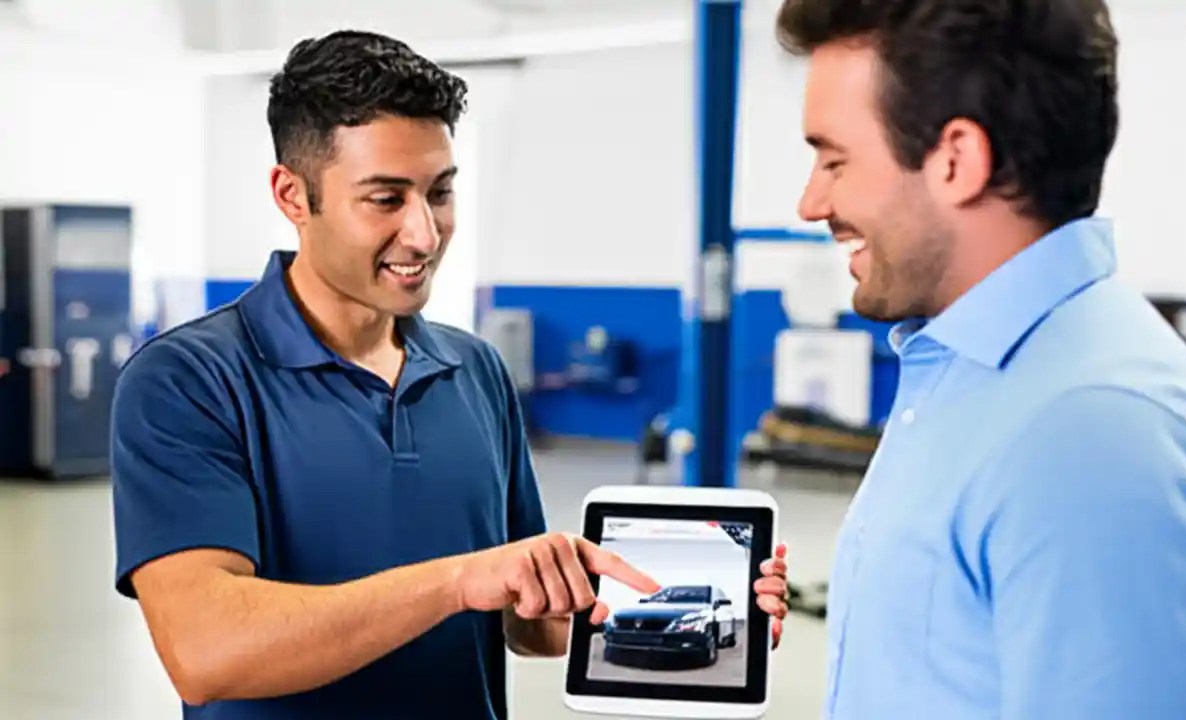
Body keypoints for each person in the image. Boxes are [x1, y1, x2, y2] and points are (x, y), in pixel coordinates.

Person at [110, 30, 790, 719]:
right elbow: (206, 652)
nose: (425, 234)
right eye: (385, 199)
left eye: (439, 193)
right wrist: (461, 580)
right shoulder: (187, 380)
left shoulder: (475, 370)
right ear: (293, 195)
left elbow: (530, 624)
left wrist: (692, 602)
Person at [775, 0, 1186, 718]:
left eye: (834, 160)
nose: (810, 201)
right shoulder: (970, 376)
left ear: (957, 160)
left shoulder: (1093, 442)